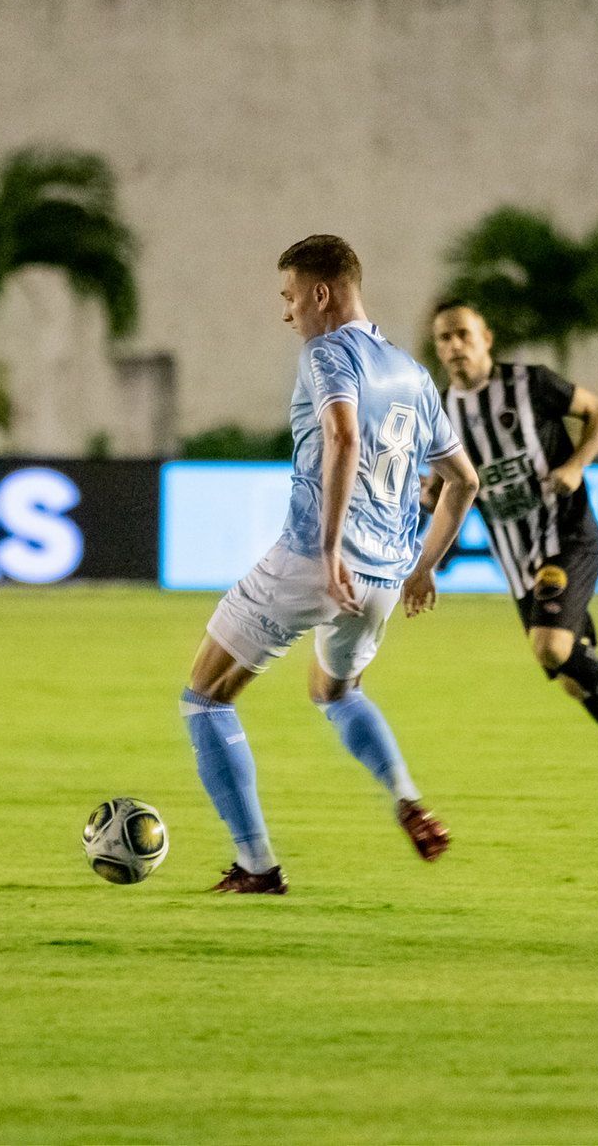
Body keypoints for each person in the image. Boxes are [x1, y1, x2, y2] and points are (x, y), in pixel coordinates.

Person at [180, 234, 479, 895]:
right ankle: (407, 796)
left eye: (289, 297)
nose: (287, 313)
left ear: (320, 293)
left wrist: (327, 548)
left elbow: (343, 433)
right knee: (335, 690)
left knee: (203, 698)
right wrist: (423, 567)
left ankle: (258, 865)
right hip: (381, 577)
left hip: (316, 559)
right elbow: (463, 481)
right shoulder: (411, 372)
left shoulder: (326, 352)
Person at [429, 301, 598, 798]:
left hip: (567, 538)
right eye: (444, 339)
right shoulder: (443, 411)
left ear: (487, 336)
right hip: (518, 561)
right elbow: (443, 485)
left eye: (463, 334)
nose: (454, 346)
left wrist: (575, 466)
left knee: (550, 646)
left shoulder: (530, 383)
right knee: (572, 673)